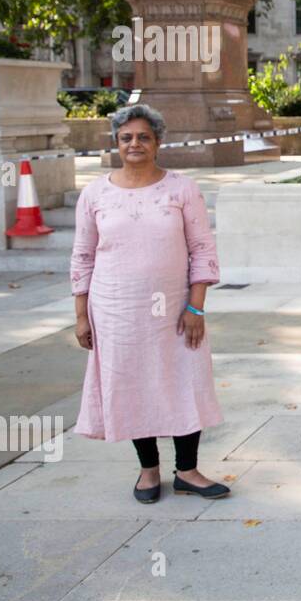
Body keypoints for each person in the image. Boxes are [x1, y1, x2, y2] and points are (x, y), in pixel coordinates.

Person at [70, 104, 228, 502]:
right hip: (114, 310)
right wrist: (80, 315)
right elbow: (83, 256)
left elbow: (202, 249)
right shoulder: (95, 193)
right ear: (116, 144)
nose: (134, 144)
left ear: (158, 142)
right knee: (132, 384)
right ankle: (148, 470)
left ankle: (188, 471)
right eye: (126, 138)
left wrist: (196, 307)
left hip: (176, 312)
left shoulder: (181, 189)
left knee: (183, 381)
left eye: (143, 137)